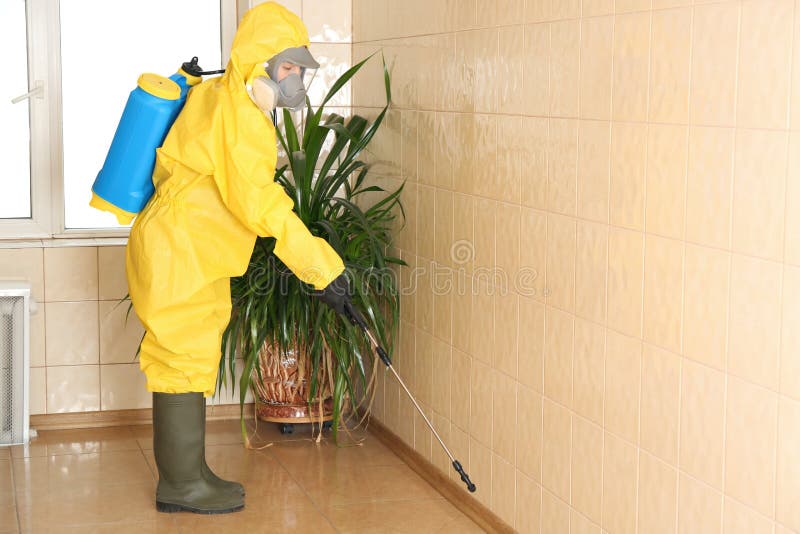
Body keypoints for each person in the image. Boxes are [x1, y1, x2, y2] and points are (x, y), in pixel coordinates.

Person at [125, 2, 350, 514]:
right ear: (258, 63)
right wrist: (322, 267)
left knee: (190, 357)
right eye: (287, 67)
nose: (295, 80)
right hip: (182, 250)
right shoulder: (240, 114)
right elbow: (260, 203)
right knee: (180, 361)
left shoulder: (218, 95)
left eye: (298, 68)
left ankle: (190, 471)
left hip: (189, 247)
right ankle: (180, 485)